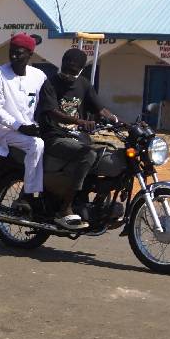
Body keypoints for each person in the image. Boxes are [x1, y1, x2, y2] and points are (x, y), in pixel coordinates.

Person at [38, 47, 119, 230]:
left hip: (78, 137)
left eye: (73, 70)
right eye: (66, 67)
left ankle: (96, 203)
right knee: (88, 155)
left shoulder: (83, 84)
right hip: (54, 136)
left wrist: (122, 123)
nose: (68, 72)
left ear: (81, 69)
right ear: (62, 64)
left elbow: (101, 110)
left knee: (108, 154)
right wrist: (79, 121)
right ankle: (65, 208)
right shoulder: (50, 84)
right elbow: (53, 112)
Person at [0, 34, 47, 211]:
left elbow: (47, 101)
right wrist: (20, 126)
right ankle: (28, 195)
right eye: (11, 52)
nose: (13, 56)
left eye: (18, 53)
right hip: (1, 127)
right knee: (37, 145)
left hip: (27, 126)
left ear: (30, 55)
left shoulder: (38, 76)